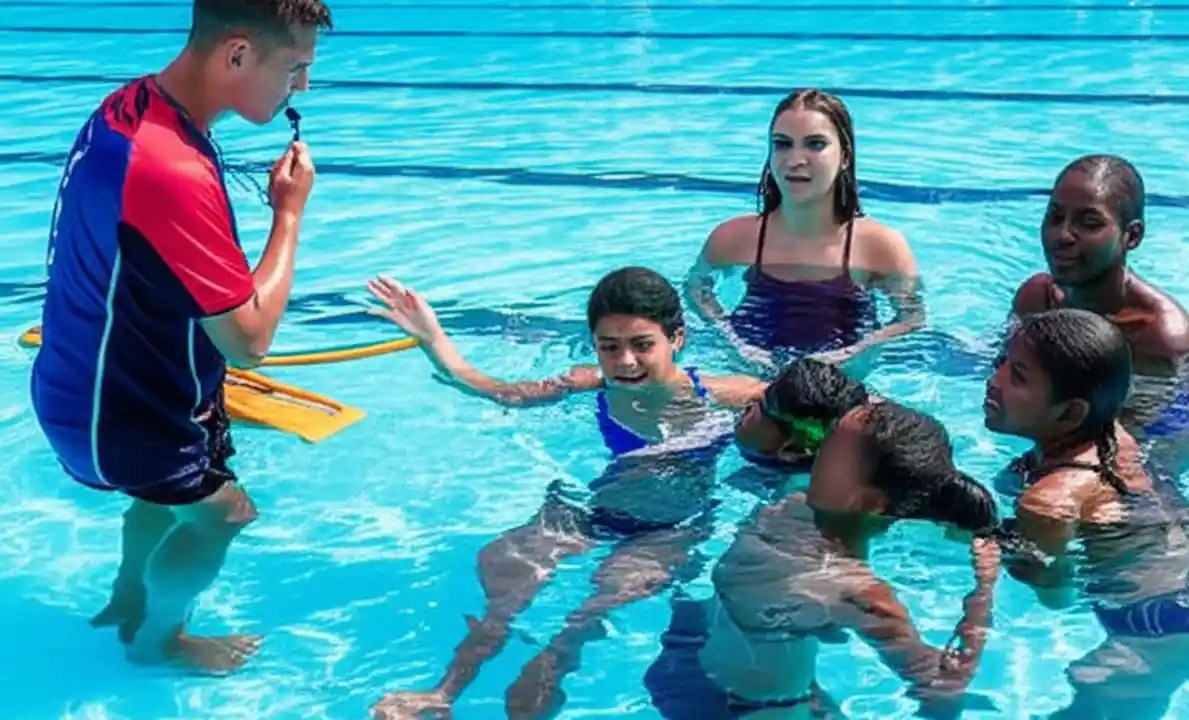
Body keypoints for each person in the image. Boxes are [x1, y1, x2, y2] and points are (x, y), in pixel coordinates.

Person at [29, 0, 331, 674]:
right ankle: (158, 643)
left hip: (85, 383)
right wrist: (289, 215)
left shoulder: (130, 106)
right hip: (122, 416)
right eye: (295, 67)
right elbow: (250, 340)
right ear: (237, 55)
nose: (302, 88)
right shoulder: (170, 169)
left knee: (163, 505)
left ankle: (128, 597)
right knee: (224, 517)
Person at [367, 267, 765, 720]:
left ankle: (549, 673)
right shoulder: (585, 383)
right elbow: (499, 392)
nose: (626, 362)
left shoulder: (723, 395)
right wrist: (434, 340)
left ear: (677, 338)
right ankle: (441, 693)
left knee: (579, 623)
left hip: (668, 530)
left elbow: (821, 410)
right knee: (504, 594)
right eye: (609, 347)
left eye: (642, 345)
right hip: (588, 510)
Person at [645, 358, 1002, 718]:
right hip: (697, 663)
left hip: (750, 711)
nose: (815, 448)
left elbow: (942, 692)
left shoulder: (857, 592)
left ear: (868, 502)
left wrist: (983, 592)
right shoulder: (795, 505)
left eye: (832, 447)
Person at [984, 308, 1189, 719]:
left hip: (1151, 634)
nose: (993, 381)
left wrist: (1009, 549)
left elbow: (1057, 594)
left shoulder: (1049, 502)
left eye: (1018, 376)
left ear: (1070, 414)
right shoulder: (1113, 434)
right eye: (1001, 364)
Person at [684, 89, 923, 373]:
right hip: (751, 379)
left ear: (845, 156)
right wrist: (730, 339)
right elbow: (696, 289)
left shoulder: (880, 246)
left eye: (815, 144)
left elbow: (910, 318)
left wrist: (854, 352)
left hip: (841, 385)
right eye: (783, 144)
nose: (795, 159)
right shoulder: (733, 239)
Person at [1010, 155, 1189, 470]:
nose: (1062, 235)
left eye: (1089, 223)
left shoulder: (1161, 337)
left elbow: (1157, 448)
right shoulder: (1037, 299)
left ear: (1131, 236)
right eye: (1055, 217)